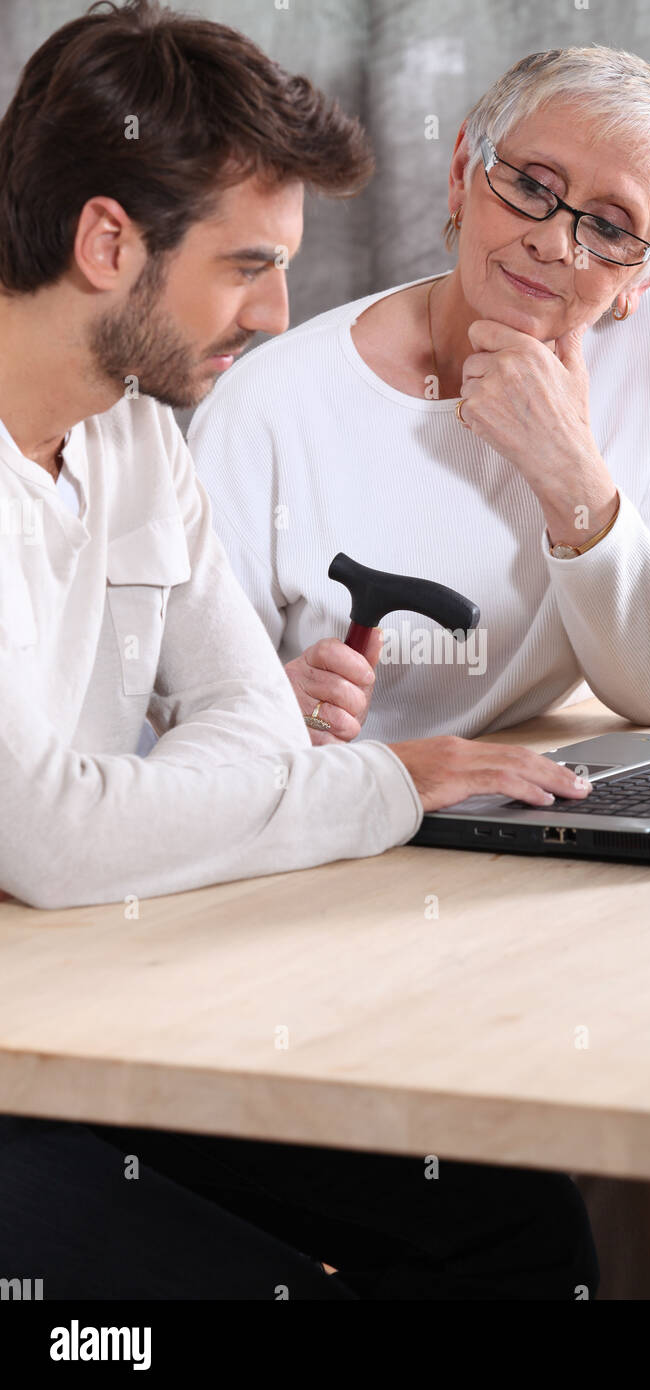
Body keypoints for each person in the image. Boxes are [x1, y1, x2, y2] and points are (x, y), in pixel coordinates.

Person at [0, 0, 596, 1300]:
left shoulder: (135, 431)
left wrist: (144, 810)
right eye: (245, 264)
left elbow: (247, 728)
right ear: (107, 239)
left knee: (504, 1219)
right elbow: (46, 836)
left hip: (81, 1007)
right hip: (16, 1064)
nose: (279, 312)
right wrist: (392, 780)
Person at [190, 45, 650, 747]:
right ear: (461, 174)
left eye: (608, 227)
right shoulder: (266, 405)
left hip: (536, 793)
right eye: (533, 186)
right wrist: (270, 713)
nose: (551, 241)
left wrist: (568, 468)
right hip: (348, 812)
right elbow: (186, 713)